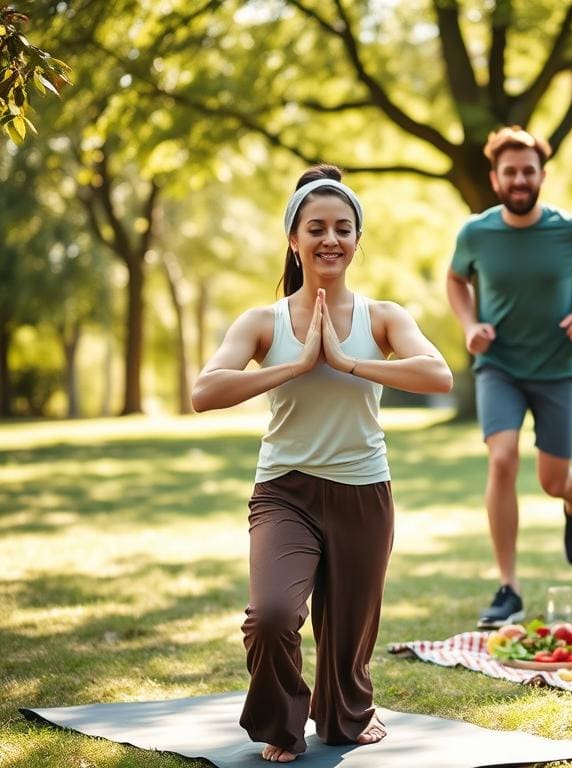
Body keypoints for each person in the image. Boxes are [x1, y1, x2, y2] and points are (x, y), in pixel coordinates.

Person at [191, 165, 453, 763]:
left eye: (343, 228)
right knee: (272, 617)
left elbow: (438, 374)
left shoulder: (383, 316)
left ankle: (343, 710)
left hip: (363, 490)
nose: (330, 239)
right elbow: (204, 392)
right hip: (286, 491)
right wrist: (295, 365)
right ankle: (282, 724)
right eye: (316, 228)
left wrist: (350, 362)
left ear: (357, 241)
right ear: (294, 239)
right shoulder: (264, 321)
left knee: (345, 656)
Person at [446, 126, 572, 628]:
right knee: (502, 459)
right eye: (510, 172)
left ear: (542, 175)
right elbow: (455, 279)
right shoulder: (476, 232)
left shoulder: (570, 229)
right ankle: (509, 588)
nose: (519, 179)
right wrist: (469, 325)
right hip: (499, 365)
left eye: (528, 171)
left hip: (557, 367)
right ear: (495, 178)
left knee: (551, 480)